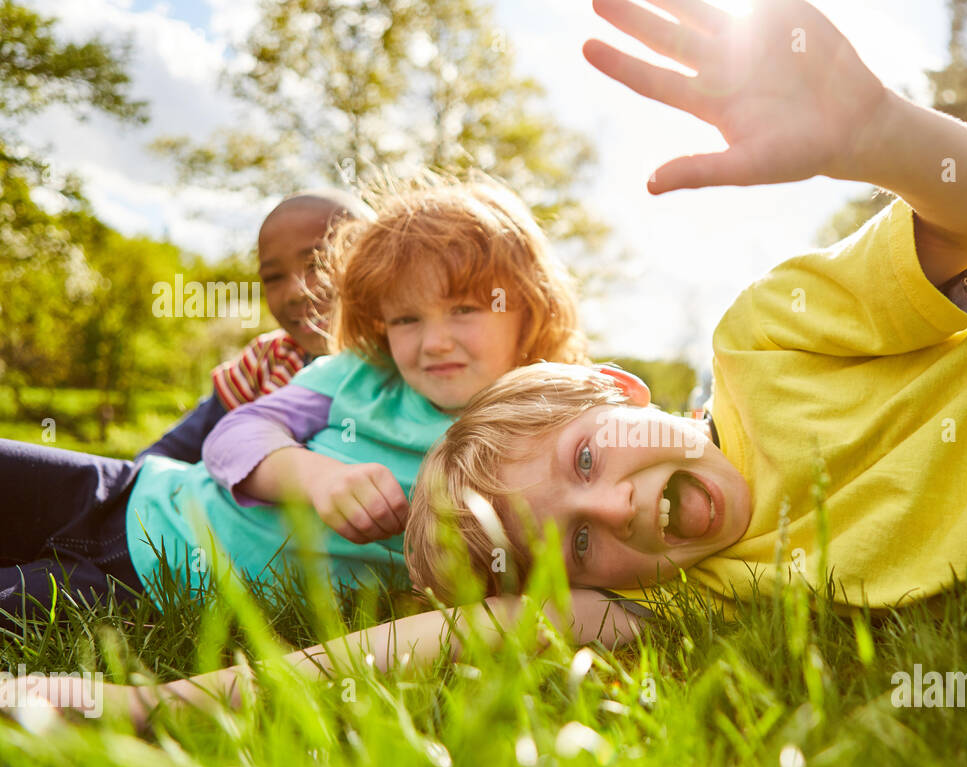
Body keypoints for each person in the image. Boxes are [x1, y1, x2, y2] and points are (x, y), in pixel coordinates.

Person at [10, 0, 967, 729]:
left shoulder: (766, 343)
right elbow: (450, 635)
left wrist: (880, 133)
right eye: (576, 546)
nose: (615, 512)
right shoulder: (708, 603)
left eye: (586, 462)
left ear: (622, 396)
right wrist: (156, 704)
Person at [0, 171, 587, 619]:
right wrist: (316, 477)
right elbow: (232, 436)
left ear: (528, 306)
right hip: (129, 493)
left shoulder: (534, 435)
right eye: (406, 318)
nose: (434, 342)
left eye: (463, 309)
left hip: (157, 576)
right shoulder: (360, 372)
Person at [137, 188, 374, 463]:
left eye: (318, 263)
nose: (296, 292)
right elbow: (164, 456)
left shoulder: (406, 366)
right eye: (273, 277)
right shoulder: (266, 362)